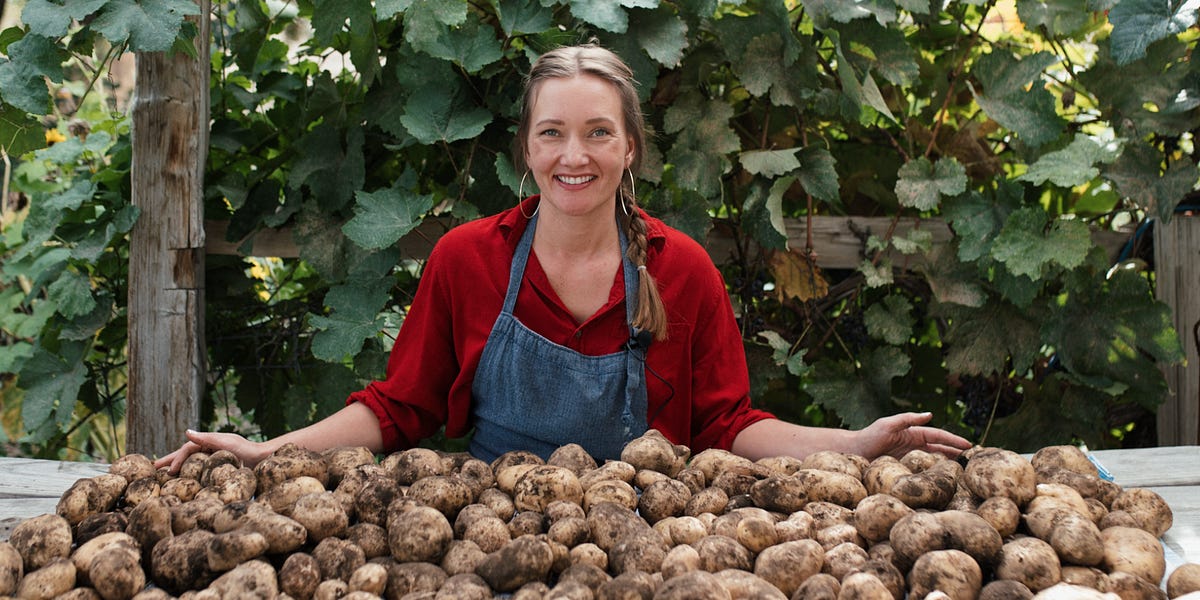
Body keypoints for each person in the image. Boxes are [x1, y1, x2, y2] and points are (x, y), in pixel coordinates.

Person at [156, 44, 969, 474]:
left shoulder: (680, 269)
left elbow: (727, 427)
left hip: (646, 543)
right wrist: (271, 453)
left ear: (629, 149)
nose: (572, 155)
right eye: (552, 132)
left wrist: (854, 446)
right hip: (486, 534)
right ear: (526, 147)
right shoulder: (467, 259)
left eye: (596, 132)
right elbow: (398, 409)